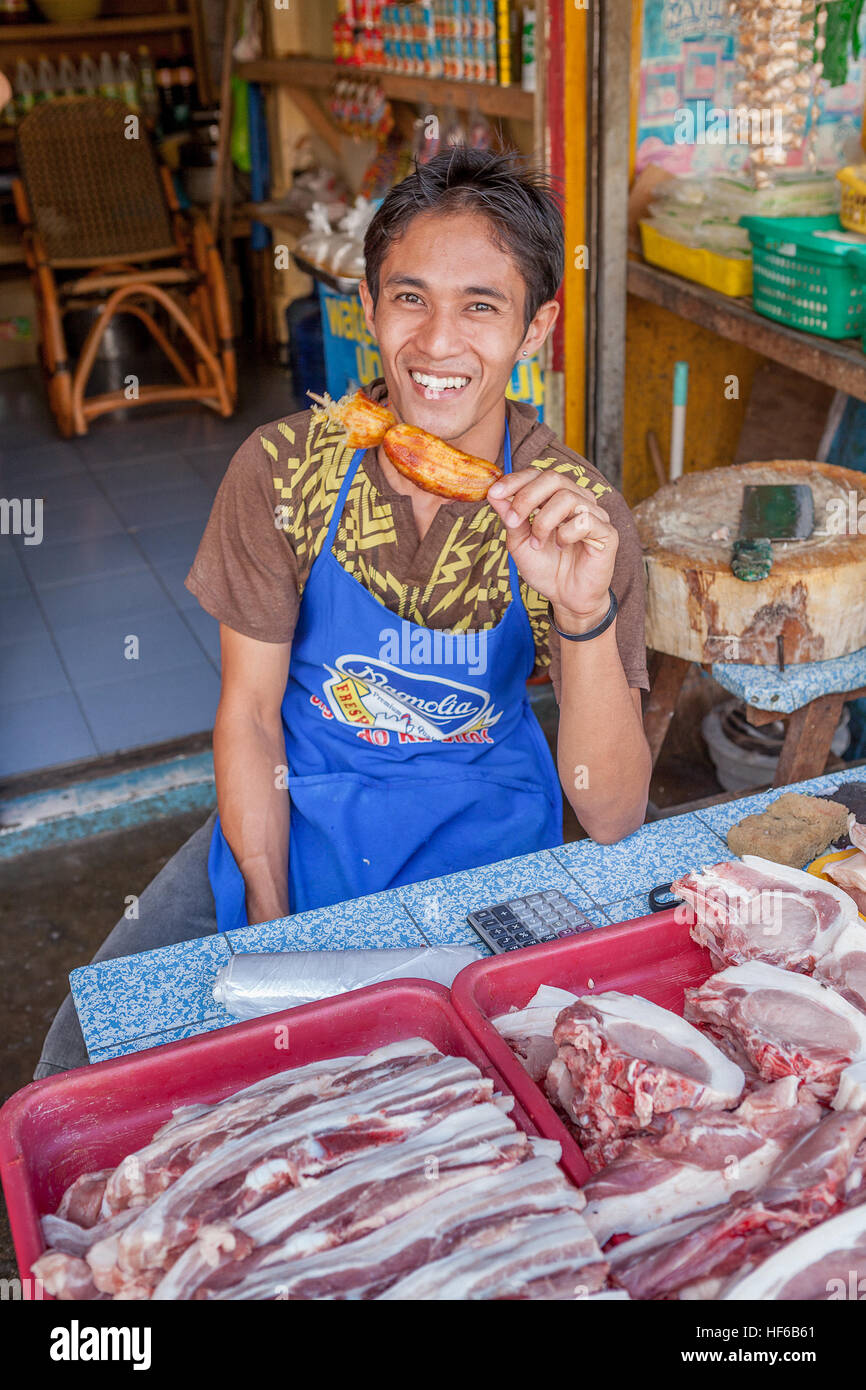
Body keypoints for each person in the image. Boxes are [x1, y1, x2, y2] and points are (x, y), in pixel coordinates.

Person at [34, 147, 651, 1078]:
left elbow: (611, 816)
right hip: (297, 807)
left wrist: (583, 612)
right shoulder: (284, 471)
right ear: (368, 308)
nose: (438, 344)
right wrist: (278, 926)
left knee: (462, 1090)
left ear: (536, 329)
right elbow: (247, 713)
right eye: (411, 298)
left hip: (484, 833)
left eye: (481, 305)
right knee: (85, 1059)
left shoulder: (576, 517)